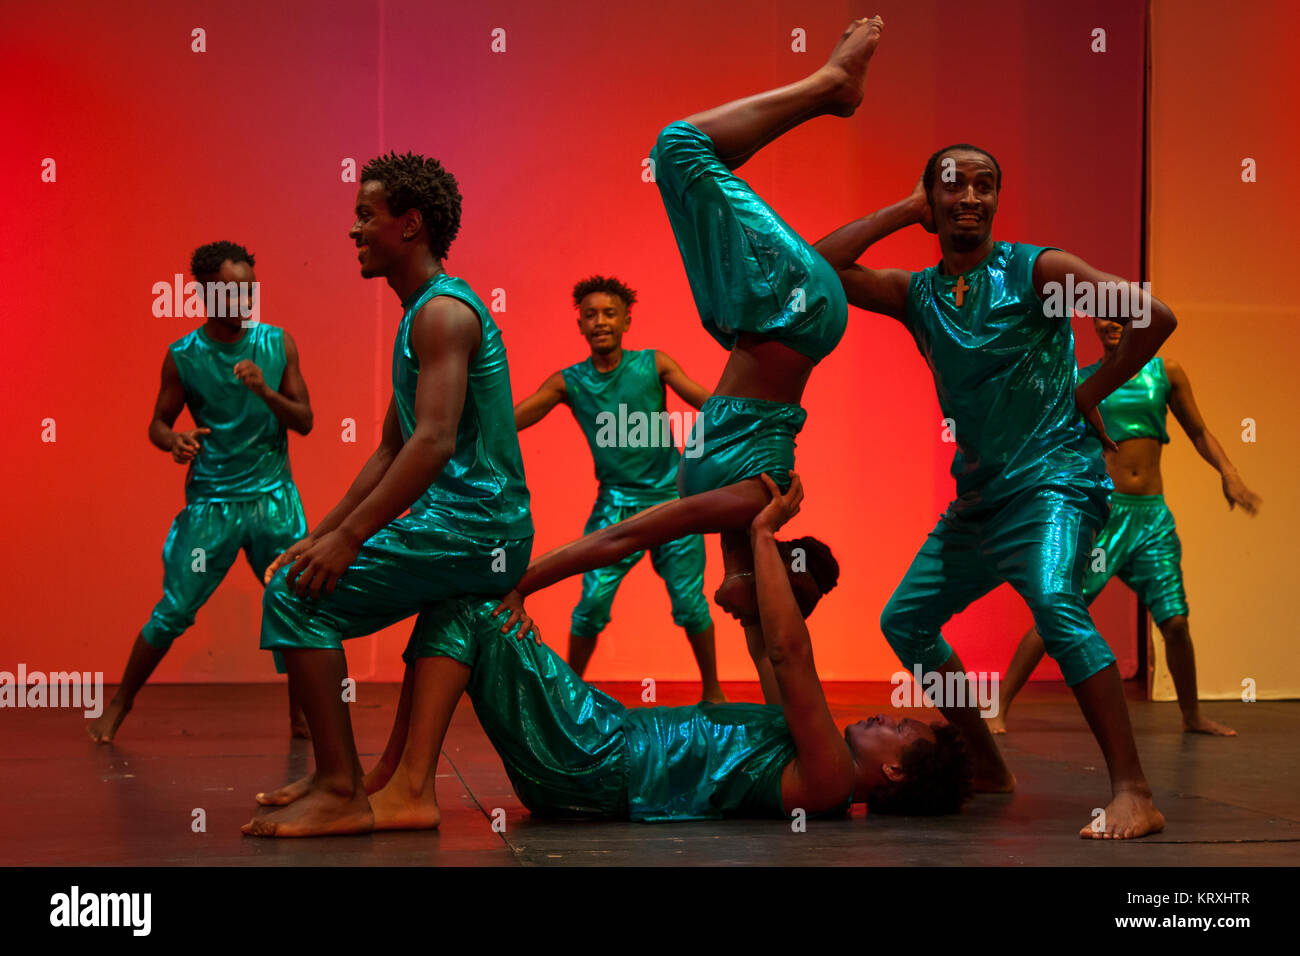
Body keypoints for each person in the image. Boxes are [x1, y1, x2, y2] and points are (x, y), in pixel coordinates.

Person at [494, 17, 884, 703]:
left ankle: (878, 158)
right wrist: (524, 581)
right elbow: (627, 534)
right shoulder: (751, 499)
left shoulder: (740, 525)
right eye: (756, 606)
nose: (739, 610)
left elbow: (776, 658)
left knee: (694, 208)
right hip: (792, 312)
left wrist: (911, 208)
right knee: (679, 149)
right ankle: (829, 86)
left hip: (763, 319)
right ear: (781, 583)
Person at [251, 474, 970, 833]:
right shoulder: (814, 759)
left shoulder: (828, 777)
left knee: (466, 600)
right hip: (598, 740)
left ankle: (405, 787)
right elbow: (770, 638)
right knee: (463, 600)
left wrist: (763, 527)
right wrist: (756, 553)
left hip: (597, 760)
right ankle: (390, 778)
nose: (886, 716)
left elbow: (787, 651)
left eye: (899, 728)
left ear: (896, 771)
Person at [813, 135, 1177, 837]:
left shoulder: (1038, 272)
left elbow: (1152, 318)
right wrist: (901, 209)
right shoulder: (917, 294)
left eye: (984, 184)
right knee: (905, 621)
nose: (970, 197)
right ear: (933, 200)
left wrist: (1086, 389)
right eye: (952, 185)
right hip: (981, 498)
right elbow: (817, 267)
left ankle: (1135, 791)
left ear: (998, 199)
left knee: (1052, 600)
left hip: (1053, 482)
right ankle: (987, 763)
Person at [246, 152, 533, 837]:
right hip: (471, 523)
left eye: (364, 216)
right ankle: (368, 783)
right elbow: (388, 449)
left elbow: (431, 443)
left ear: (408, 225)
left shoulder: (443, 315)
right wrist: (326, 531)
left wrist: (347, 542)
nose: (352, 231)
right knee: (304, 568)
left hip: (477, 524)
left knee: (293, 595)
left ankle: (342, 789)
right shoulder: (419, 315)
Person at [988, 316, 1262, 736]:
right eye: (1104, 316)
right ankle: (1000, 708)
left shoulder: (1164, 372)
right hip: (1105, 515)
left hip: (1152, 517)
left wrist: (1229, 472)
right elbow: (1055, 444)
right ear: (1095, 325)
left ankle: (1191, 715)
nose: (1112, 322)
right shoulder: (1084, 381)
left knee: (1175, 621)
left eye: (1122, 315)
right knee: (1059, 609)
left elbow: (1200, 432)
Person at [88, 240, 314, 743]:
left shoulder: (278, 344)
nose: (246, 302)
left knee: (297, 605)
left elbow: (306, 421)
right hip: (212, 505)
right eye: (234, 293)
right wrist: (175, 439)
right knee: (174, 611)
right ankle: (119, 705)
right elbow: (158, 424)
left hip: (274, 501)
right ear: (206, 294)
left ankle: (302, 719)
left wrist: (266, 391)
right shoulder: (183, 357)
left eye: (251, 291)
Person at [513, 274, 721, 699]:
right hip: (615, 504)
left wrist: (747, 416)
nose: (600, 321)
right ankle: (570, 691)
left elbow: (706, 400)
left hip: (672, 500)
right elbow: (514, 418)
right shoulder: (568, 382)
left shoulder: (654, 364)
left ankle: (713, 690)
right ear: (580, 327)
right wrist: (463, 429)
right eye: (590, 315)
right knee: (591, 605)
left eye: (610, 313)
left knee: (689, 603)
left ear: (627, 321)